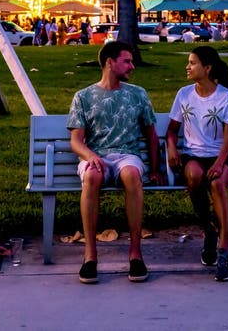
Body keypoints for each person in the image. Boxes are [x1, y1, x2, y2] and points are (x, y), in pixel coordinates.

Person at [67, 40, 161, 285]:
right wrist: (91, 157)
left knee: (131, 174)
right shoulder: (84, 96)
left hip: (127, 155)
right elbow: (76, 141)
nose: (132, 66)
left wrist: (156, 168)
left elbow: (152, 135)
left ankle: (135, 254)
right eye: (126, 61)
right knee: (92, 176)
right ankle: (90, 256)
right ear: (110, 62)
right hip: (95, 155)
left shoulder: (137, 93)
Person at [166, 45, 228, 282]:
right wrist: (173, 148)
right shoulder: (184, 94)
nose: (187, 67)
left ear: (207, 68)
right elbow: (172, 131)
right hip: (193, 156)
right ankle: (208, 230)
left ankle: (224, 249)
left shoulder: (226, 96)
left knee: (217, 184)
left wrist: (219, 163)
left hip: (223, 157)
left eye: (192, 63)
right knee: (195, 176)